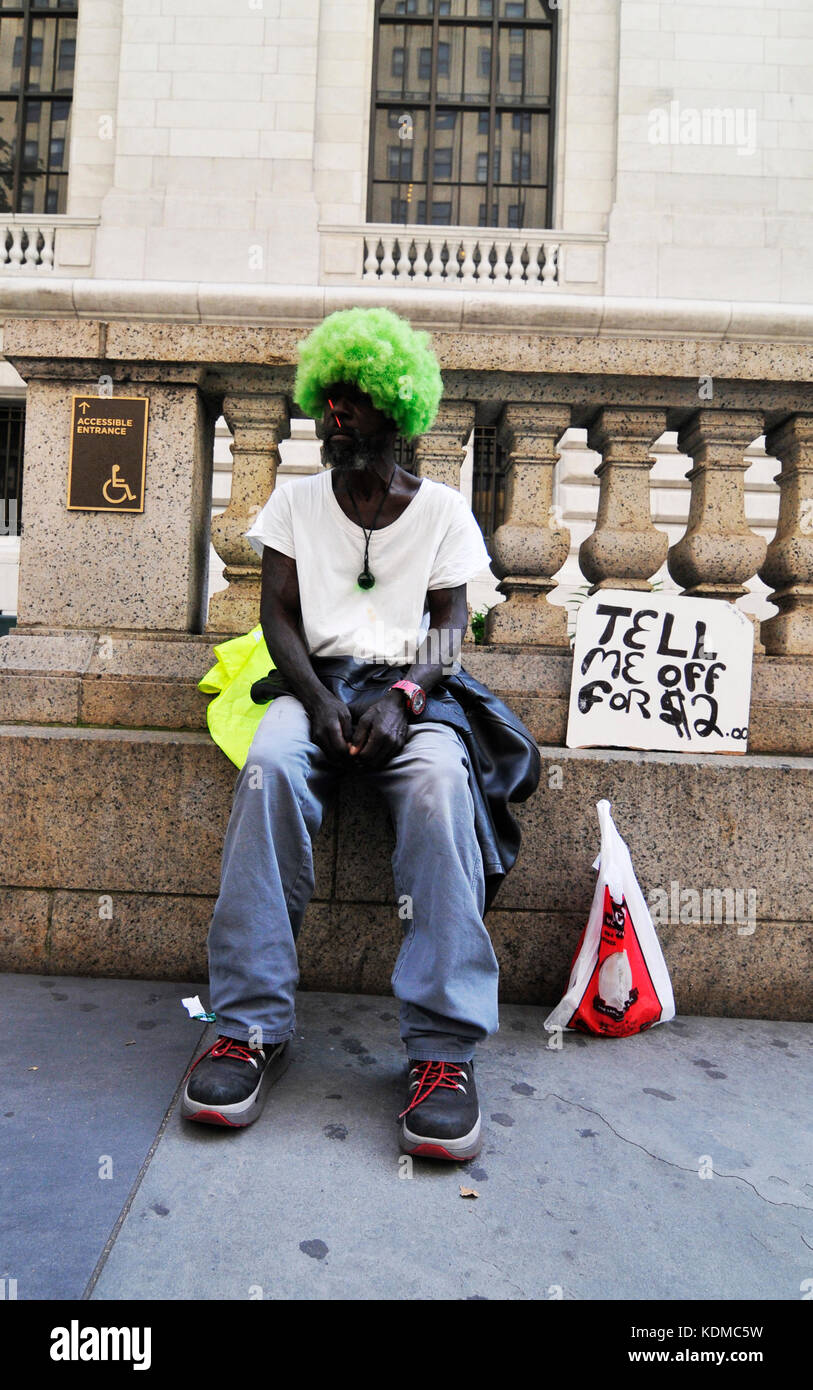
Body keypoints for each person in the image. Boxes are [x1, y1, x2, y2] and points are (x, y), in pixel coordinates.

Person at [181, 307, 539, 1161]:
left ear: (399, 410)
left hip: (410, 691)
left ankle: (443, 1053)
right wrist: (319, 700)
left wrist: (405, 697)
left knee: (439, 787)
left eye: (356, 399)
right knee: (267, 768)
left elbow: (451, 630)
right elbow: (275, 617)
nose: (335, 412)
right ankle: (246, 1027)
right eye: (328, 398)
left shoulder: (444, 511)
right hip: (315, 683)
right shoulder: (295, 503)